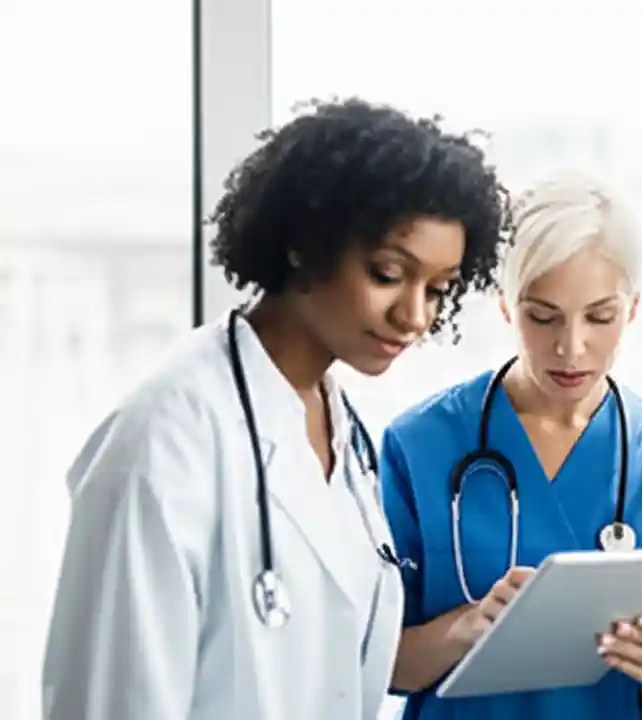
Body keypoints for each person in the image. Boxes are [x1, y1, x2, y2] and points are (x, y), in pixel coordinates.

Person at [41, 98, 511, 720]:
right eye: (388, 273)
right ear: (304, 244)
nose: (414, 315)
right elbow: (109, 700)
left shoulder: (343, 433)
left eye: (437, 288)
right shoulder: (167, 439)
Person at [379, 171, 642, 719]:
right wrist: (469, 626)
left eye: (600, 317)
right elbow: (384, 665)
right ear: (505, 305)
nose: (571, 347)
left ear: (633, 308)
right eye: (542, 317)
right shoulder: (420, 446)